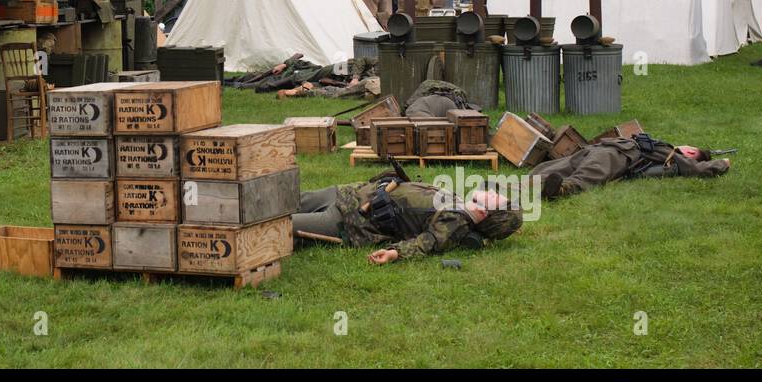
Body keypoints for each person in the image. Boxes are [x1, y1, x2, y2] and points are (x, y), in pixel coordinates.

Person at [292, 177, 522, 263]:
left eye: (496, 199)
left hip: (348, 219)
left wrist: (394, 253)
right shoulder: (459, 202)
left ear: (485, 214)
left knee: (282, 225)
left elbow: (426, 243)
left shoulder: (456, 223)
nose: (492, 192)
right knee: (284, 200)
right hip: (348, 193)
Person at [531, 134, 730, 198]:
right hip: (600, 149)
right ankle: (533, 184)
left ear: (691, 153)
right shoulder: (664, 148)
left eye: (691, 148)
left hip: (616, 155)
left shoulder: (672, 153)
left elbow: (696, 169)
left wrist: (722, 163)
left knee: (589, 174)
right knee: (556, 167)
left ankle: (562, 190)